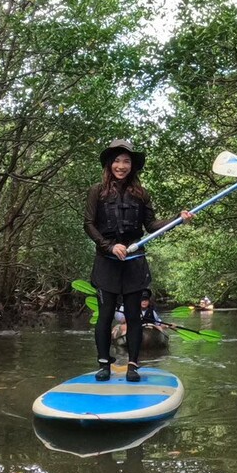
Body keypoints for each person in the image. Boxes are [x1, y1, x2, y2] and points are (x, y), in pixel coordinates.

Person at [85, 139, 192, 382]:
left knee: (134, 315)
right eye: (117, 160)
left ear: (132, 166)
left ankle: (133, 365)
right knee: (105, 315)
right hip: (107, 261)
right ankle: (104, 365)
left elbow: (151, 226)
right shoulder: (96, 191)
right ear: (109, 163)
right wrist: (110, 247)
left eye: (126, 161)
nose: (121, 166)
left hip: (134, 261)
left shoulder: (141, 194)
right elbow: (88, 224)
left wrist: (178, 218)